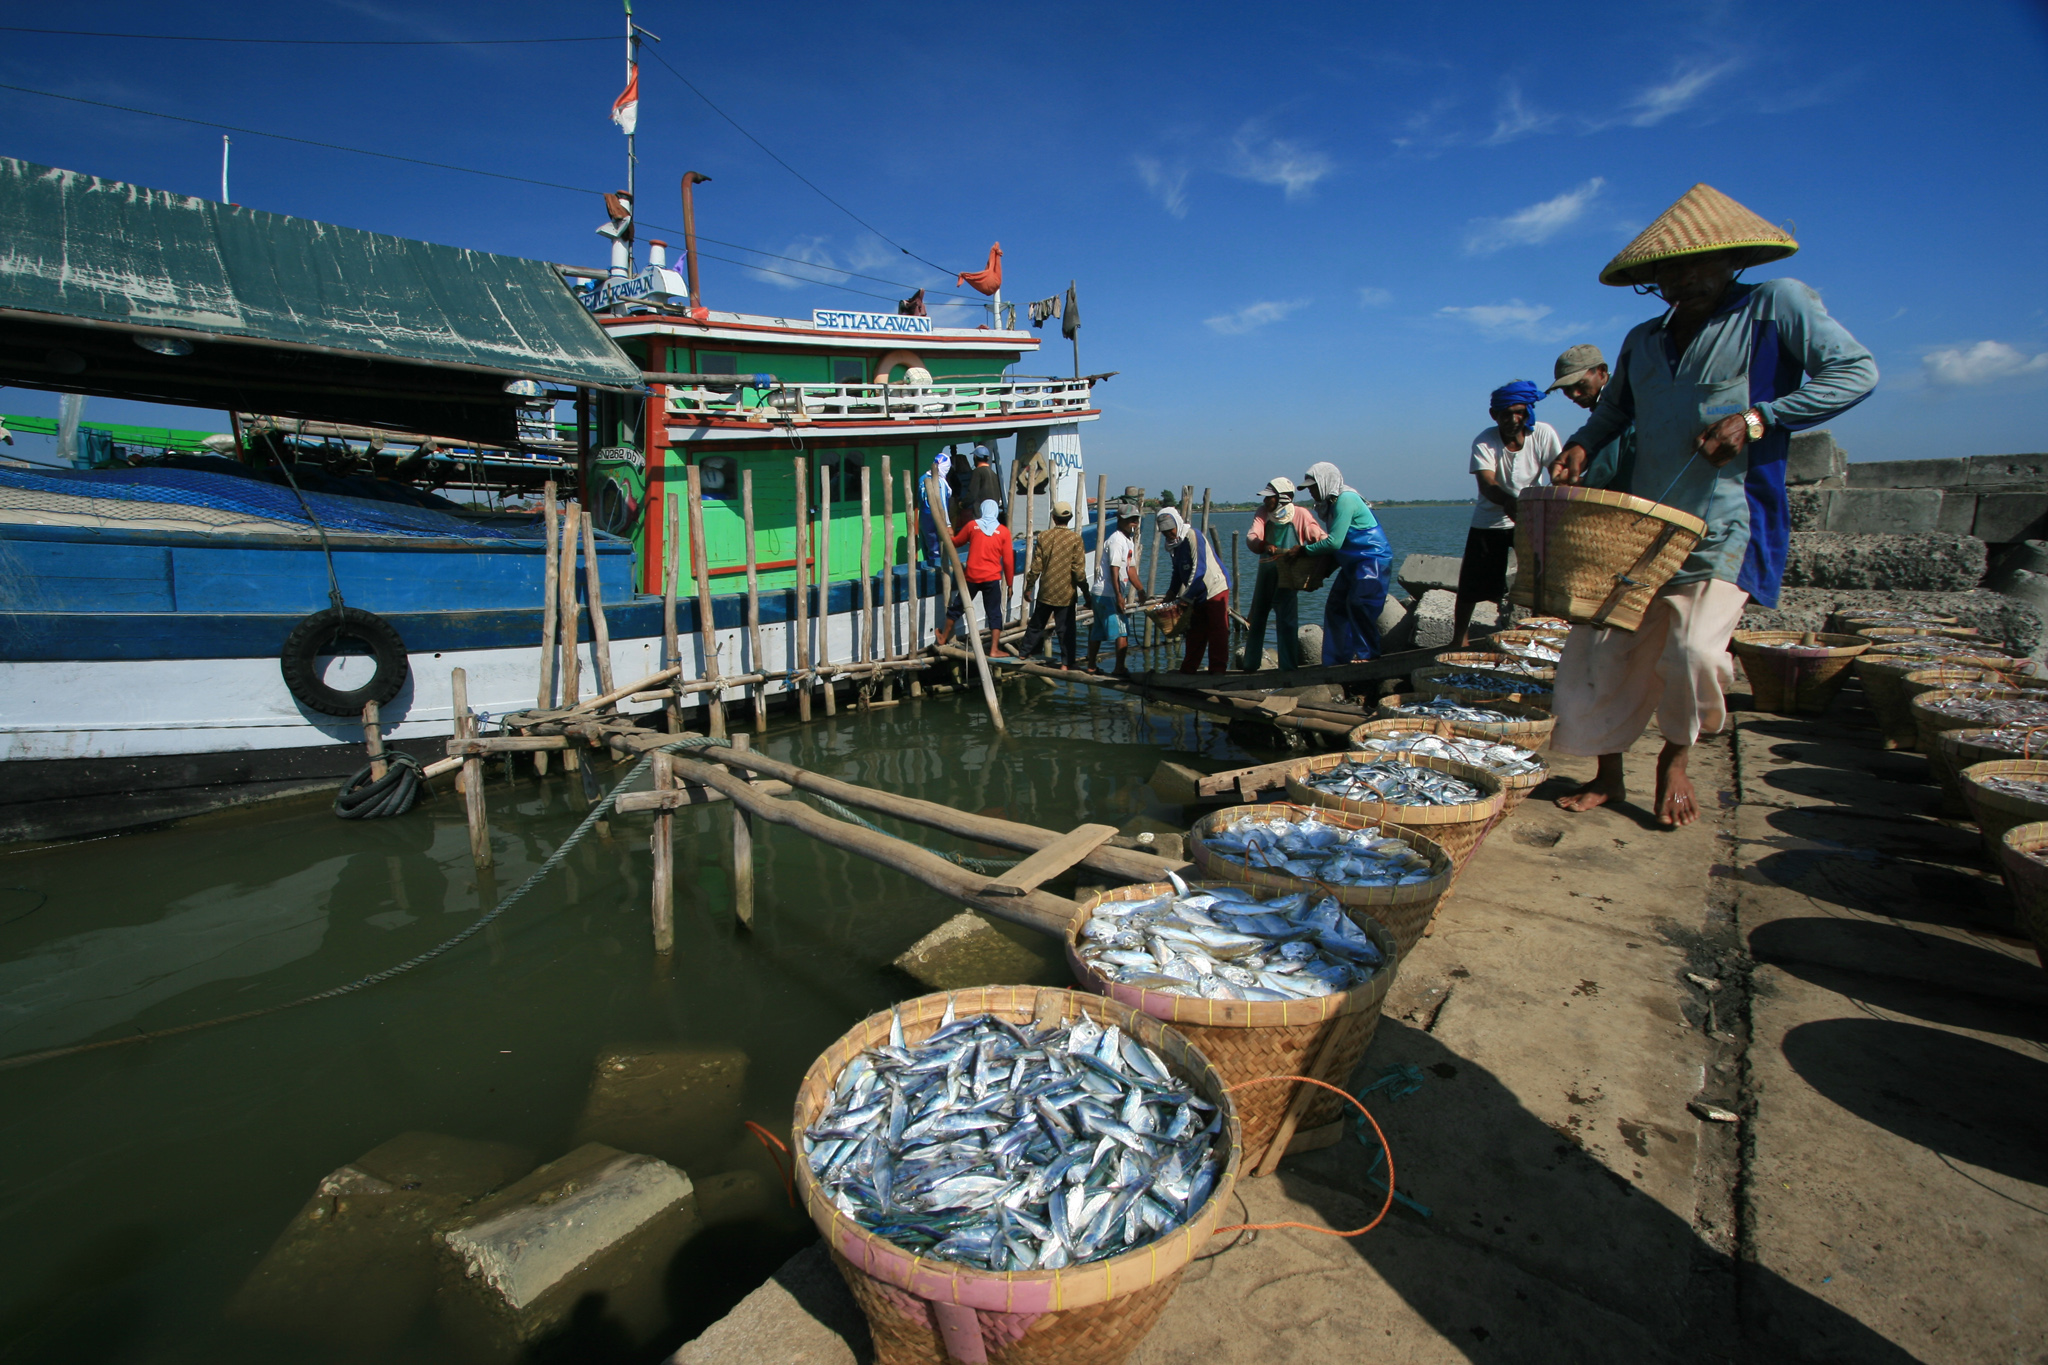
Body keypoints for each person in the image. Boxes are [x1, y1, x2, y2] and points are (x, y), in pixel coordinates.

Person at [1546, 183, 1877, 828]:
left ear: (1734, 260)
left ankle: (1675, 758)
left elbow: (1856, 371)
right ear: (1653, 279)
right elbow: (1616, 410)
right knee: (1598, 652)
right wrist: (1583, 444)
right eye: (1670, 269)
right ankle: (1607, 773)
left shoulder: (1776, 306)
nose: (1684, 279)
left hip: (1729, 520)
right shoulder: (1643, 339)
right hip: (1645, 528)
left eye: (1700, 263)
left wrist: (1758, 419)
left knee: (1696, 650)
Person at [1453, 380, 1558, 648]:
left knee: (1539, 578)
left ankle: (1542, 636)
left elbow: (1557, 471)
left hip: (1532, 518)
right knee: (1471, 584)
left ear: (1528, 412)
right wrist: (1511, 503)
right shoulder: (1485, 440)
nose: (1513, 419)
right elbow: (1487, 484)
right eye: (1506, 414)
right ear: (1494, 416)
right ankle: (1458, 641)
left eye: (1520, 412)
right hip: (1490, 521)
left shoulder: (1543, 434)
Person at [1281, 462, 1393, 663]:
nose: (1311, 492)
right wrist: (1322, 572)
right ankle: (1337, 659)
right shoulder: (1330, 505)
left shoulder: (1346, 499)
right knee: (1335, 607)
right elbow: (1340, 548)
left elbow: (1334, 542)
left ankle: (1369, 656)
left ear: (1326, 482)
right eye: (1309, 489)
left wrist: (1303, 550)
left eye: (1313, 487)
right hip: (1353, 564)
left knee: (1361, 605)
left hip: (1372, 559)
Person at [1241, 477, 1326, 670]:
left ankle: (1288, 668)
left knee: (1287, 621)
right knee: (1257, 619)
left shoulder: (1300, 515)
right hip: (1266, 572)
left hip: (1288, 574)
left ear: (1282, 498)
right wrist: (1264, 545)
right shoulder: (1263, 513)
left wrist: (1305, 552)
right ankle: (1250, 665)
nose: (1265, 501)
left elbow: (1321, 539)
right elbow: (1252, 536)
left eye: (1269, 498)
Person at [1547, 343, 1635, 491]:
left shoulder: (1620, 405)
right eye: (1566, 389)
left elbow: (1605, 468)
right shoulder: (1601, 410)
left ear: (1601, 372)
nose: (1574, 394)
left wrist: (1575, 486)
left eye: (1581, 384)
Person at [937, 498, 1016, 656]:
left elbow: (957, 542)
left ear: (982, 510)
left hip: (972, 575)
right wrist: (1010, 584)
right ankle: (994, 649)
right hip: (991, 578)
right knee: (994, 613)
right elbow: (1008, 561)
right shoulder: (1004, 532)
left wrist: (949, 535)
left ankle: (943, 637)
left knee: (958, 606)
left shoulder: (972, 526)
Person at [1158, 507, 1232, 674]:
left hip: (1213, 588)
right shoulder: (1173, 546)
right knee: (1195, 632)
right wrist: (1171, 593)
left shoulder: (1192, 535)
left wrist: (1186, 597)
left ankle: (1218, 670)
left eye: (1171, 529)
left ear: (1178, 523)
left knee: (1217, 629)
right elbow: (1177, 572)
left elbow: (1200, 568)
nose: (1169, 533)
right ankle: (1188, 669)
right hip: (1196, 593)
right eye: (1165, 531)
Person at [1016, 501, 1087, 668]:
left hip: (1046, 590)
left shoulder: (1043, 536)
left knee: (1036, 625)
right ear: (1069, 518)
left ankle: (1023, 653)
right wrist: (1086, 592)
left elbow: (1036, 567)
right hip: (1066, 593)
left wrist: (1029, 588)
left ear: (1053, 518)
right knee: (1066, 629)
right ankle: (1066, 663)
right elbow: (1078, 572)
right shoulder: (1076, 539)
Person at [1086, 503, 1145, 676]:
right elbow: (1114, 569)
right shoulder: (1117, 540)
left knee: (1097, 630)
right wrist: (1119, 596)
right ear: (1120, 520)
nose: (1133, 523)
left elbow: (1130, 569)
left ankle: (1091, 666)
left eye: (1135, 520)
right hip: (1107, 593)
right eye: (1129, 520)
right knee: (1122, 631)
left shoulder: (1128, 541)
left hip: (1103, 593)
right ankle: (1119, 668)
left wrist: (1140, 589)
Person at [917, 450, 952, 565]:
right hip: (935, 520)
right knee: (938, 552)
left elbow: (918, 499)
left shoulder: (922, 478)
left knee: (928, 550)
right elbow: (941, 504)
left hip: (923, 518)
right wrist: (948, 524)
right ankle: (938, 576)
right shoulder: (940, 482)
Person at [964, 446, 1002, 514]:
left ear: (975, 457)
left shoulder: (977, 472)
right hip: (993, 514)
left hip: (980, 514)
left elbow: (972, 494)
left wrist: (962, 504)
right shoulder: (993, 474)